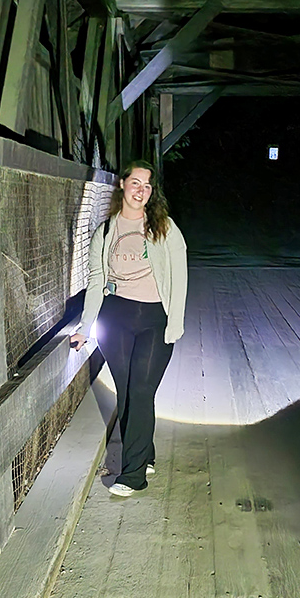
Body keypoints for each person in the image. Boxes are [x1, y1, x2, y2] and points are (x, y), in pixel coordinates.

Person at [70, 159, 187, 497]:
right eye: (136, 183)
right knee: (126, 390)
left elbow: (179, 278)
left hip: (154, 320)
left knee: (141, 391)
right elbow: (95, 282)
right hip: (116, 317)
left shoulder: (164, 228)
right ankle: (144, 453)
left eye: (148, 186)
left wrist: (174, 323)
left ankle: (133, 474)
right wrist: (85, 326)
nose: (142, 190)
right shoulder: (105, 232)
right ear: (122, 185)